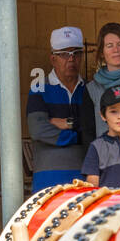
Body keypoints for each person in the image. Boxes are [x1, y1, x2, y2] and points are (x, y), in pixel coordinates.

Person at [26, 26, 88, 191]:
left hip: (85, 178)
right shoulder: (39, 88)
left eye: (76, 53)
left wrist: (68, 123)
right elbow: (38, 130)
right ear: (53, 59)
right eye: (64, 54)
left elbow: (95, 128)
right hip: (47, 181)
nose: (71, 59)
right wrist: (79, 135)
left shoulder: (90, 89)